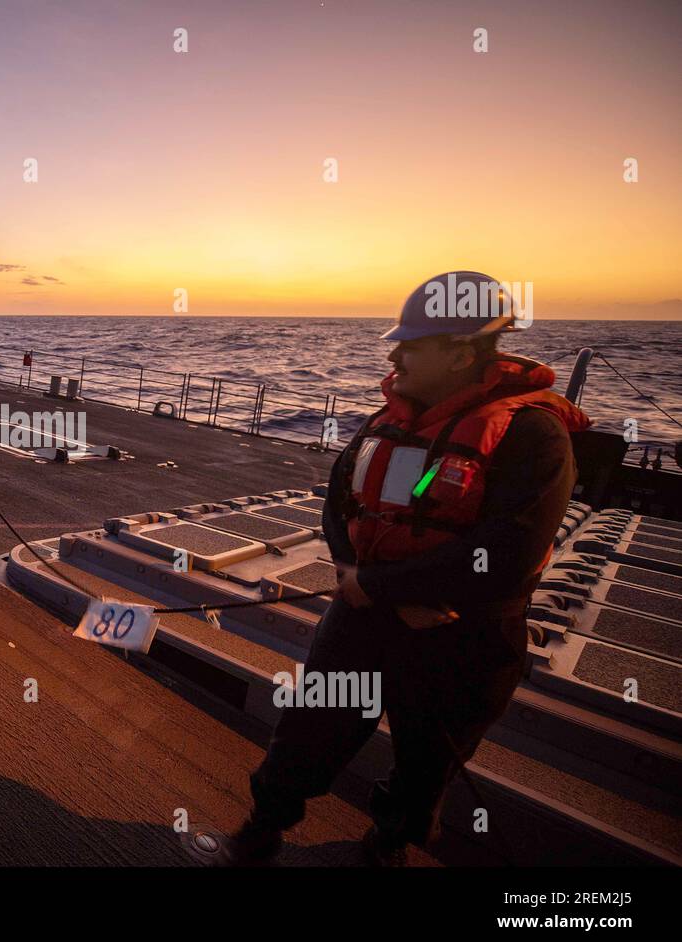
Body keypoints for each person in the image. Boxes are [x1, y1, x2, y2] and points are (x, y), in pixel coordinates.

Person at [226, 272, 590, 866]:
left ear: (460, 352)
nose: (395, 355)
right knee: (308, 733)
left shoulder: (534, 435)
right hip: (363, 619)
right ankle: (261, 830)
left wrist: (377, 587)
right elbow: (341, 504)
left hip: (461, 634)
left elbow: (510, 550)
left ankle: (386, 846)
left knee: (427, 764)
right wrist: (356, 576)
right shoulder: (387, 421)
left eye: (411, 344)